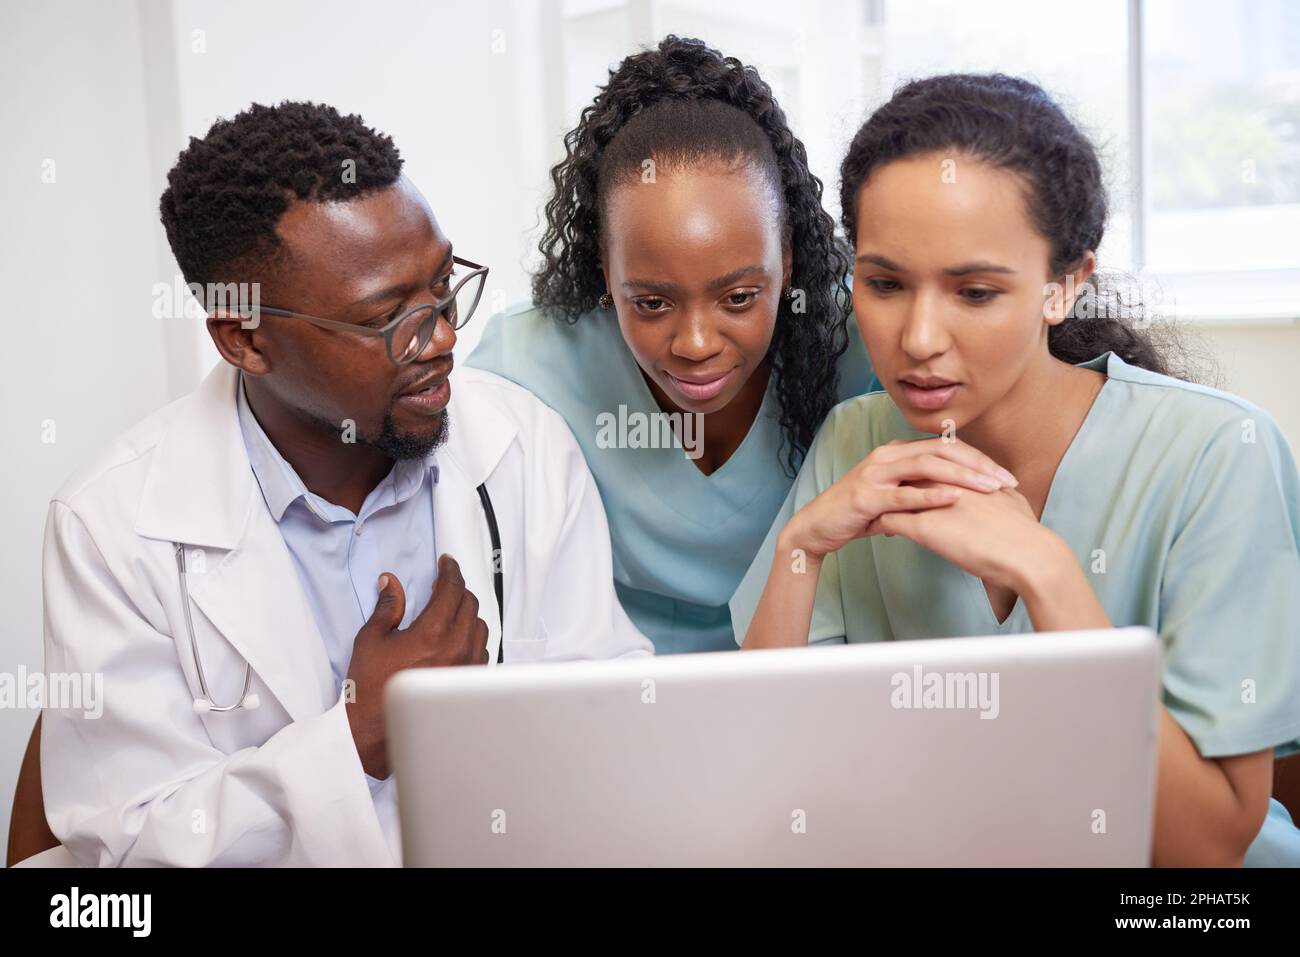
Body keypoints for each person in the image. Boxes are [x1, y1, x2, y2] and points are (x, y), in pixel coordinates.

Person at [40, 101, 650, 867]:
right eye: (388, 318)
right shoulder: (112, 530)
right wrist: (357, 737)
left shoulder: (522, 447)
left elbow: (611, 730)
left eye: (440, 286)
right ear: (245, 338)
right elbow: (125, 852)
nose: (443, 337)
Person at [732, 74, 1300, 866]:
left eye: (974, 291)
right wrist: (800, 545)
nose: (919, 337)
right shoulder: (853, 441)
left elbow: (1203, 848)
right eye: (885, 283)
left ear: (1064, 285)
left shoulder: (1218, 456)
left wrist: (1052, 576)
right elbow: (770, 775)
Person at [469, 36, 878, 654]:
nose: (694, 344)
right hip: (613, 701)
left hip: (815, 685)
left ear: (788, 261)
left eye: (739, 297)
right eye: (651, 303)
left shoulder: (862, 337)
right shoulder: (527, 366)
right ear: (605, 272)